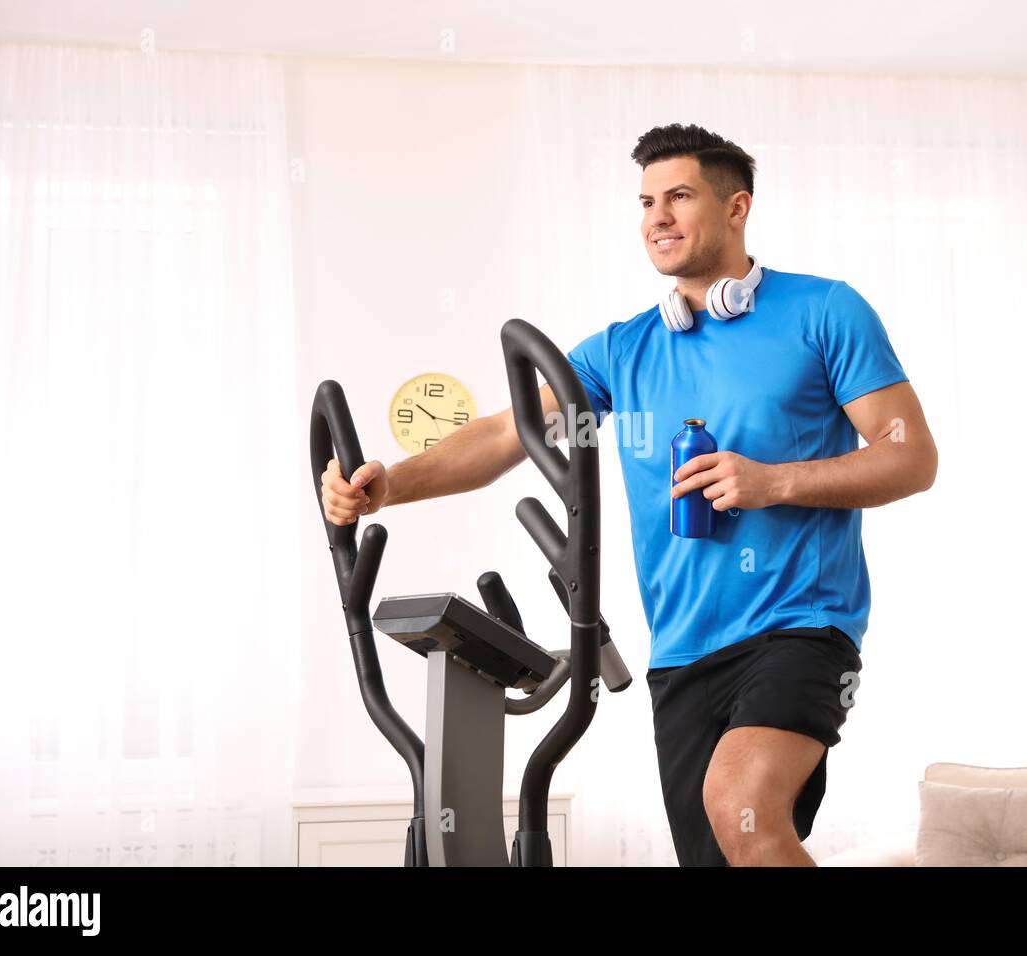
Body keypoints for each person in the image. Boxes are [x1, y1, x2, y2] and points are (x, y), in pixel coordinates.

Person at [320, 122, 938, 866]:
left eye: (679, 196)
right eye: (646, 201)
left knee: (740, 805)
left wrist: (775, 481)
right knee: (720, 849)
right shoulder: (623, 350)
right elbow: (501, 434)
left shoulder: (825, 313)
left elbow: (911, 457)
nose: (658, 218)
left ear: (737, 208)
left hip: (801, 625)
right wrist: (390, 484)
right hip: (680, 650)